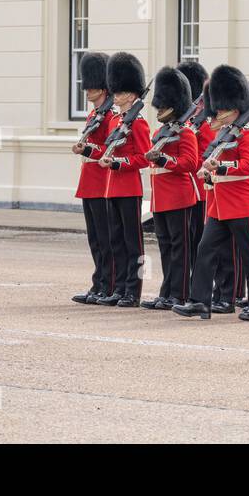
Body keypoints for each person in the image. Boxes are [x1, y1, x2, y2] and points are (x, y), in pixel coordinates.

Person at [174, 65, 249, 321]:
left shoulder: (247, 136)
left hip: (242, 203)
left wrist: (222, 166)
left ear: (236, 110)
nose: (219, 114)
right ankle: (199, 301)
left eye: (223, 110)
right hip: (220, 205)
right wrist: (208, 172)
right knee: (205, 251)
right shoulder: (224, 135)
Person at [142, 67, 201, 310]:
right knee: (165, 247)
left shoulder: (185, 133)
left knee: (180, 248)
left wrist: (165, 160)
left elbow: (191, 163)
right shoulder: (159, 133)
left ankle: (180, 293)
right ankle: (166, 292)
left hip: (179, 196)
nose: (161, 110)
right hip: (161, 197)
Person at [99, 52, 150, 307]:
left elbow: (145, 158)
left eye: (120, 92)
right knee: (116, 242)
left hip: (129, 188)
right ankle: (119, 288)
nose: (115, 96)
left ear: (131, 94)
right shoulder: (115, 121)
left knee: (133, 243)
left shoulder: (138, 124)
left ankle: (134, 290)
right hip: (112, 188)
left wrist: (120, 163)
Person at [70, 52, 114, 304]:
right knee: (95, 238)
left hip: (102, 182)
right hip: (89, 181)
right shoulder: (94, 115)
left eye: (92, 85)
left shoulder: (109, 116)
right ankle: (99, 282)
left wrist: (87, 149)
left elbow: (110, 149)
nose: (87, 89)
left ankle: (107, 284)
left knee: (106, 239)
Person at [176, 60, 211, 279]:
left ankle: (198, 286)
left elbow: (205, 155)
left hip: (200, 191)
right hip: (187, 191)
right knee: (186, 242)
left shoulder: (204, 124)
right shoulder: (186, 121)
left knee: (198, 242)